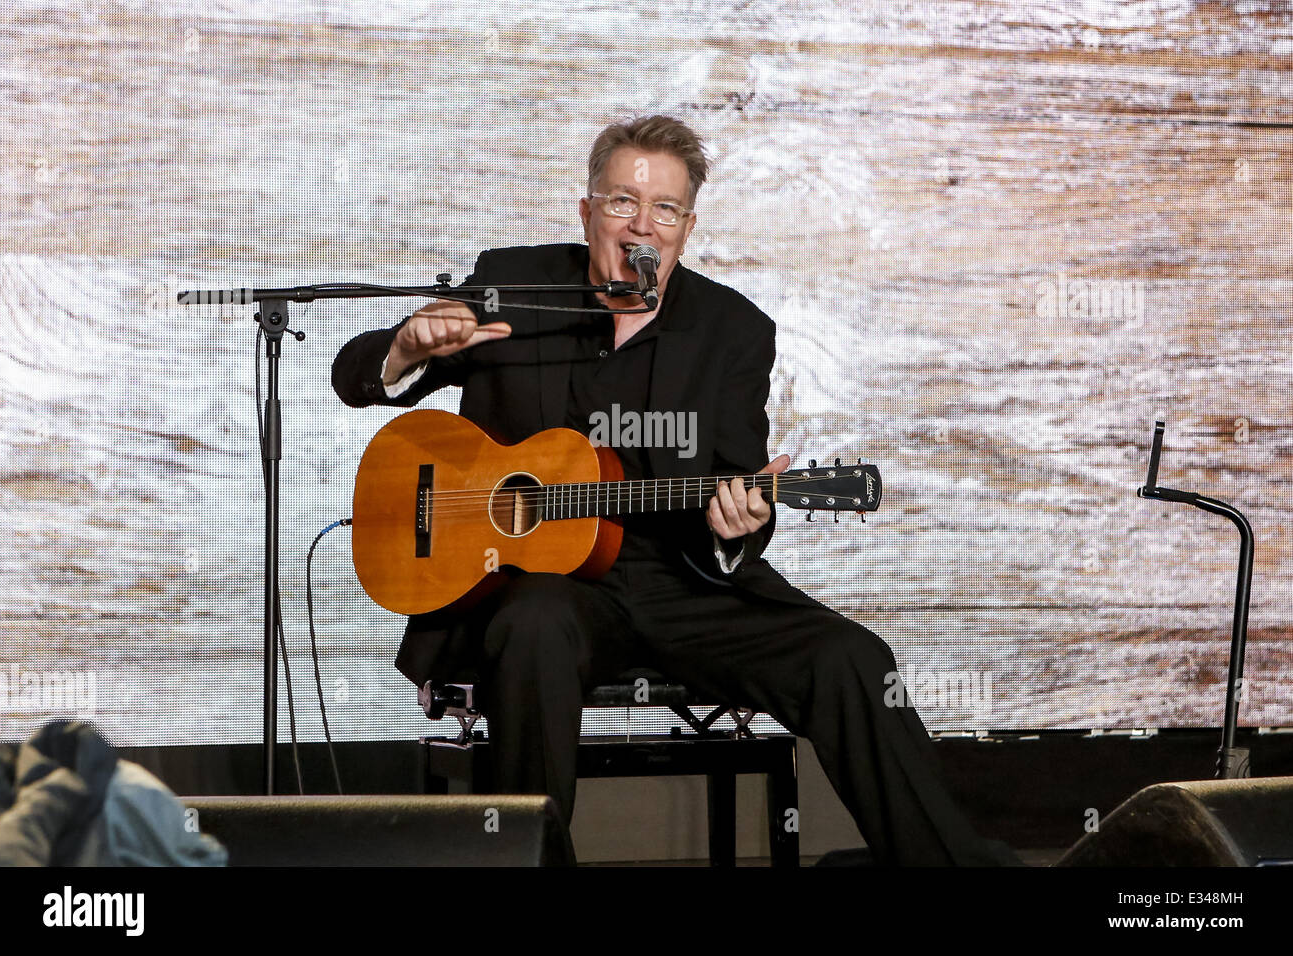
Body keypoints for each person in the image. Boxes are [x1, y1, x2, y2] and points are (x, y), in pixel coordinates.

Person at [332, 115, 1017, 865]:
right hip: (545, 589)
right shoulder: (514, 286)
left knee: (852, 658)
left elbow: (740, 487)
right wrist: (402, 348)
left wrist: (738, 525)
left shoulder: (733, 329)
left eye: (664, 209)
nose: (641, 224)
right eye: (622, 201)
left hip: (684, 584)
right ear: (587, 209)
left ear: (688, 226)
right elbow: (356, 377)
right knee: (535, 626)